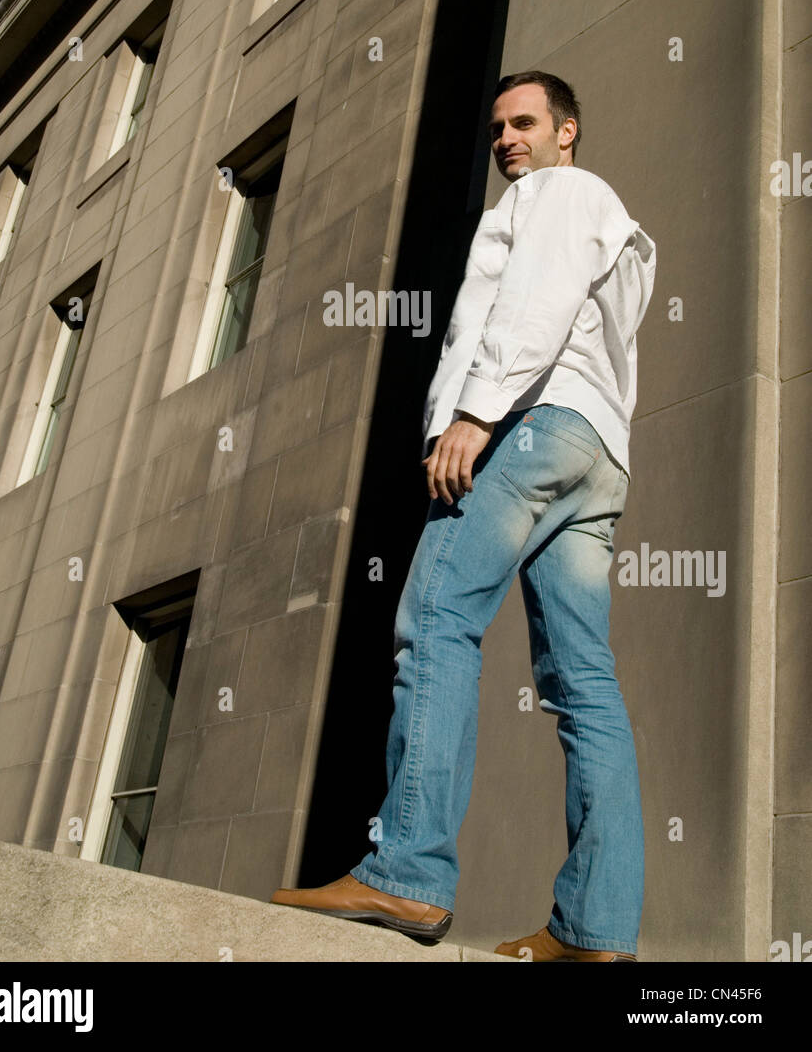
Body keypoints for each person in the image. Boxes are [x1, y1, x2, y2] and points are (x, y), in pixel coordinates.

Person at [271, 70, 656, 961]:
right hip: (595, 456)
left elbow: (537, 302)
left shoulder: (562, 192)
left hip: (530, 427)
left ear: (569, 130)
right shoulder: (603, 214)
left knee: (438, 622)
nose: (507, 140)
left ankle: (406, 875)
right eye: (497, 129)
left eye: (525, 123)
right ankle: (595, 931)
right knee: (584, 685)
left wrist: (478, 415)